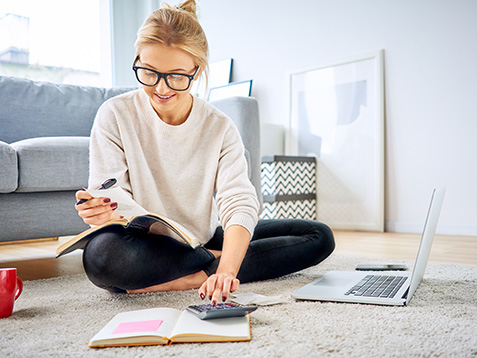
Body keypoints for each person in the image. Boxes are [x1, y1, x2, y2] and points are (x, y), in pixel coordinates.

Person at [75, 0, 335, 305]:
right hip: (145, 243)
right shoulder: (114, 114)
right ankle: (204, 263)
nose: (161, 88)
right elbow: (111, 195)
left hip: (204, 232)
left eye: (176, 76)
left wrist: (225, 272)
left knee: (319, 236)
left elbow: (238, 198)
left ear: (196, 71)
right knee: (101, 256)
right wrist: (101, 212)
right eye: (149, 72)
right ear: (137, 60)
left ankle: (190, 276)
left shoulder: (219, 127)